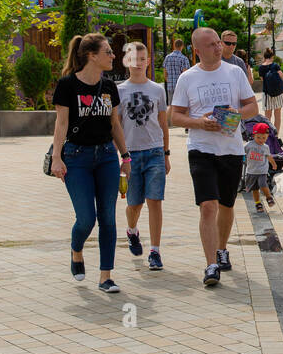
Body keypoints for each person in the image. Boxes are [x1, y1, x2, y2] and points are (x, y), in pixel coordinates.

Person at [170, 27, 260, 287]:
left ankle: (222, 248)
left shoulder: (234, 72)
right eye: (211, 44)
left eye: (219, 42)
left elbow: (252, 105)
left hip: (230, 149)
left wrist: (236, 114)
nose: (218, 47)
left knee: (227, 205)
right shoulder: (188, 78)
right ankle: (211, 264)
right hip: (200, 148)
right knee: (207, 205)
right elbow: (175, 116)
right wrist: (198, 123)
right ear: (197, 50)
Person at [50, 33, 130, 293]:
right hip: (76, 158)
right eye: (108, 51)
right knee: (86, 218)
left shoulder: (109, 86)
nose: (113, 55)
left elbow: (114, 123)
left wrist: (125, 156)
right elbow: (61, 124)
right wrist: (57, 157)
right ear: (92, 55)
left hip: (106, 155)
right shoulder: (67, 85)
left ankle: (105, 276)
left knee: (107, 217)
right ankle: (76, 251)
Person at [118, 42, 169, 272]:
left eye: (142, 58)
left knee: (155, 200)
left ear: (148, 61)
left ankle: (155, 251)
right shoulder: (119, 91)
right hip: (131, 154)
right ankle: (132, 231)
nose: (138, 63)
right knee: (134, 203)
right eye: (133, 58)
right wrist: (120, 156)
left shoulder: (157, 89)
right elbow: (116, 126)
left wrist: (166, 153)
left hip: (155, 151)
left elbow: (163, 123)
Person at [244, 122, 278, 213]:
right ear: (254, 135)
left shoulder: (265, 147)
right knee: (255, 189)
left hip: (262, 171)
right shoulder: (248, 145)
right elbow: (242, 152)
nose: (261, 140)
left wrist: (273, 164)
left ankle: (269, 197)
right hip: (251, 171)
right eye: (258, 137)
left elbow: (269, 157)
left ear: (267, 137)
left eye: (264, 138)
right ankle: (258, 203)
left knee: (263, 184)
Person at [259, 48, 283, 133]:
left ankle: (268, 135)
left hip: (267, 94)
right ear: (272, 57)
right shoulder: (275, 65)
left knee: (267, 117)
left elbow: (262, 80)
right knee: (277, 116)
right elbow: (281, 75)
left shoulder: (261, 67)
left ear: (264, 57)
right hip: (277, 93)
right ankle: (276, 135)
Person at [163, 37, 191, 105]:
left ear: (174, 46)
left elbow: (165, 73)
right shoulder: (184, 58)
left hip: (170, 86)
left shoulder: (167, 57)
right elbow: (185, 74)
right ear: (182, 46)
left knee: (170, 106)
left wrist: (169, 80)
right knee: (180, 107)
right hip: (180, 87)